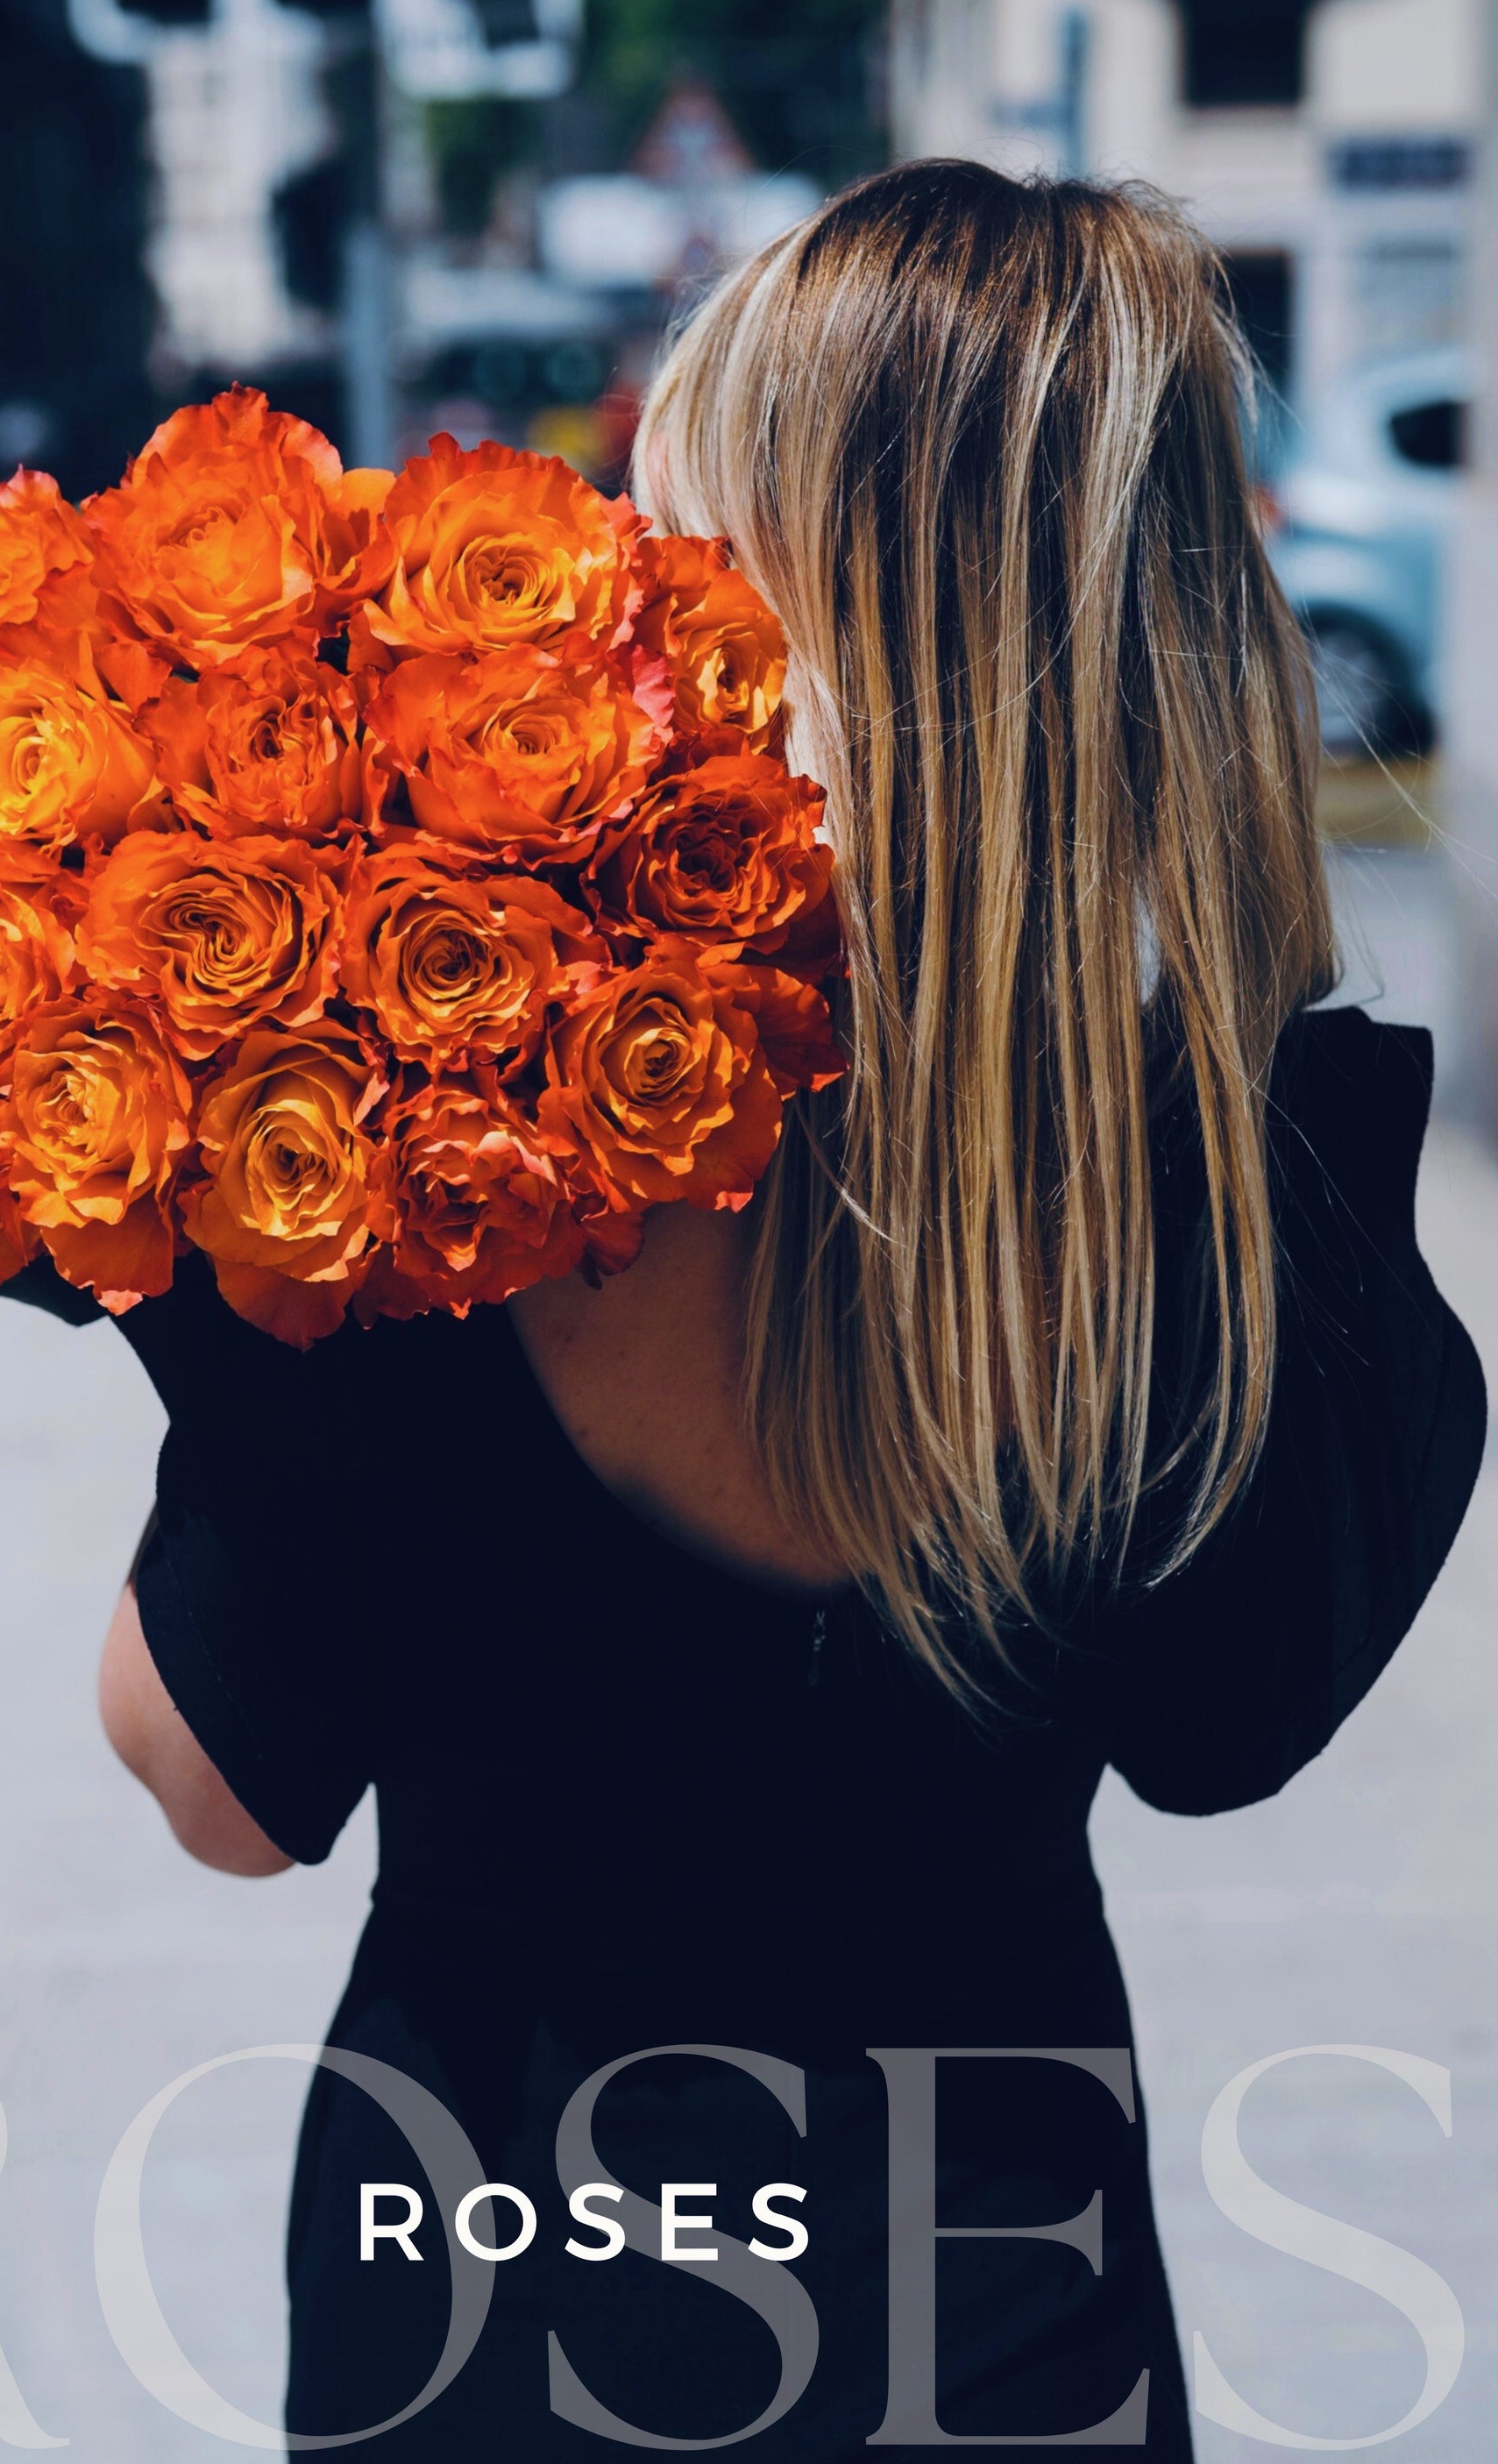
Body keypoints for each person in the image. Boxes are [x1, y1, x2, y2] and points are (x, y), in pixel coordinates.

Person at [75, 162, 1484, 2455]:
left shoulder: (473, 1160)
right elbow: (1231, 1739)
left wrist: (208, 1282)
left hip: (496, 2290)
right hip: (998, 2308)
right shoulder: (1234, 1194)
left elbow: (218, 1790)